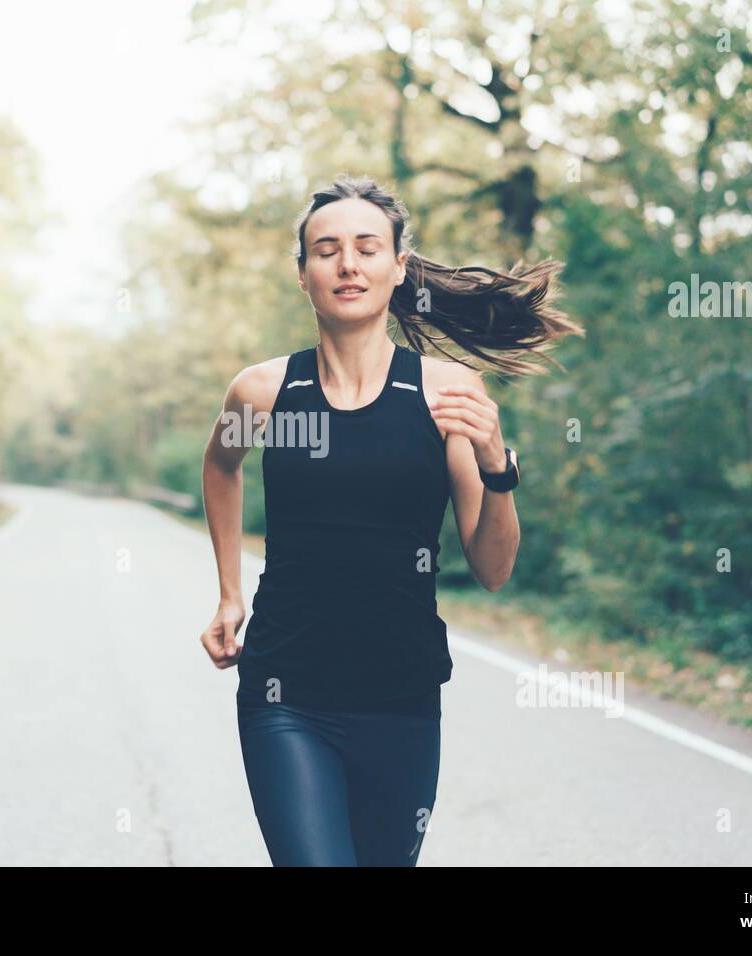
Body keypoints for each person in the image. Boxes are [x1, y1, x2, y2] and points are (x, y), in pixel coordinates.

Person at [199, 174, 582, 866]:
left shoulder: (446, 394)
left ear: (398, 268)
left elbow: (493, 570)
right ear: (304, 273)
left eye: (367, 248)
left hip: (401, 700)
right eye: (327, 250)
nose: (348, 264)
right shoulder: (264, 393)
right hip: (285, 695)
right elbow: (221, 466)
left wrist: (499, 467)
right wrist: (230, 591)